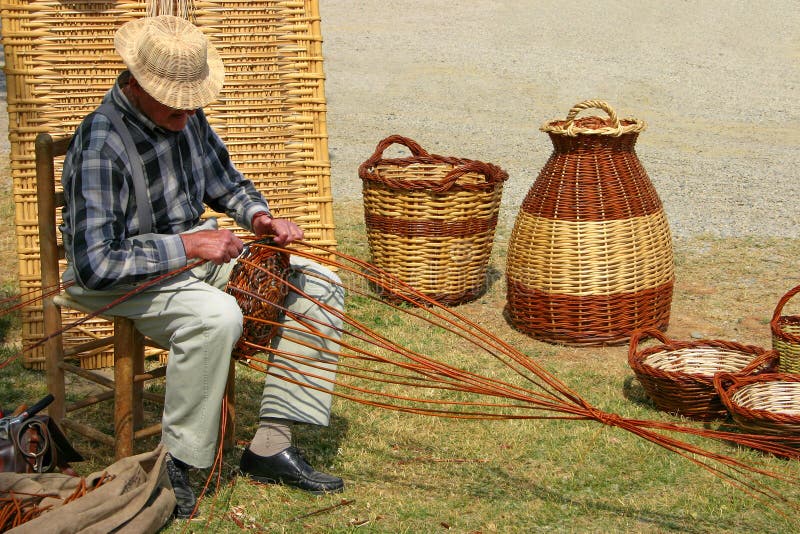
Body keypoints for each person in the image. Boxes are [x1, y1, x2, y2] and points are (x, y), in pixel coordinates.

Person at [59, 15, 345, 518]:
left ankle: (270, 445)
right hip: (120, 277)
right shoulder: (101, 145)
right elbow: (93, 264)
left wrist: (260, 217)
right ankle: (176, 465)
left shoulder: (185, 116)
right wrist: (190, 247)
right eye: (176, 104)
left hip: (183, 262)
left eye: (192, 103)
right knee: (216, 317)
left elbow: (225, 181)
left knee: (320, 282)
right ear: (138, 83)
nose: (187, 115)